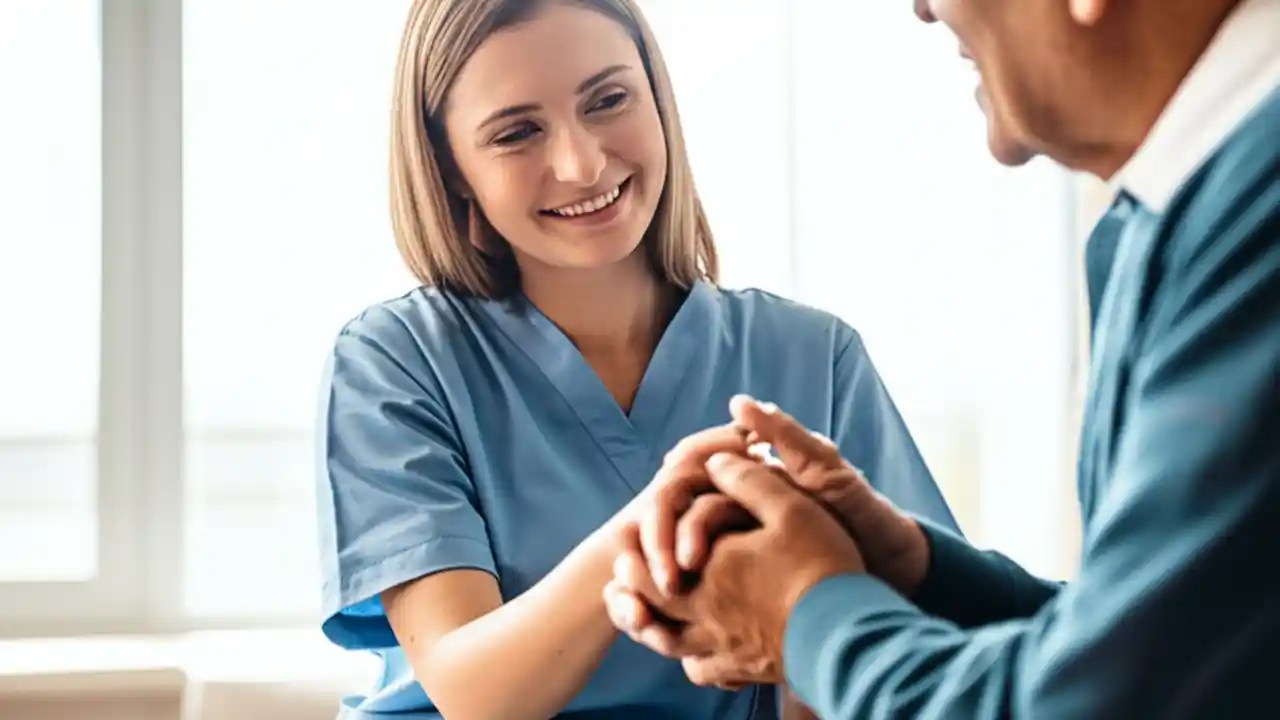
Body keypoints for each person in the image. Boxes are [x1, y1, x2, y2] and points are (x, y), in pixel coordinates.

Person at [606, 0, 1280, 717]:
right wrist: (912, 568)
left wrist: (803, 612)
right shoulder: (1164, 216)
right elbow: (1165, 653)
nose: (923, 8)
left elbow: (1097, 704)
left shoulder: (1254, 223)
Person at [313, 0, 958, 717]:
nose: (582, 164)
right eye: (517, 132)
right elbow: (474, 695)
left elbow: (912, 651)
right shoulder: (395, 363)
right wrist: (661, 517)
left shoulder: (816, 357)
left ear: (658, 99)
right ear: (452, 168)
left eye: (608, 100)